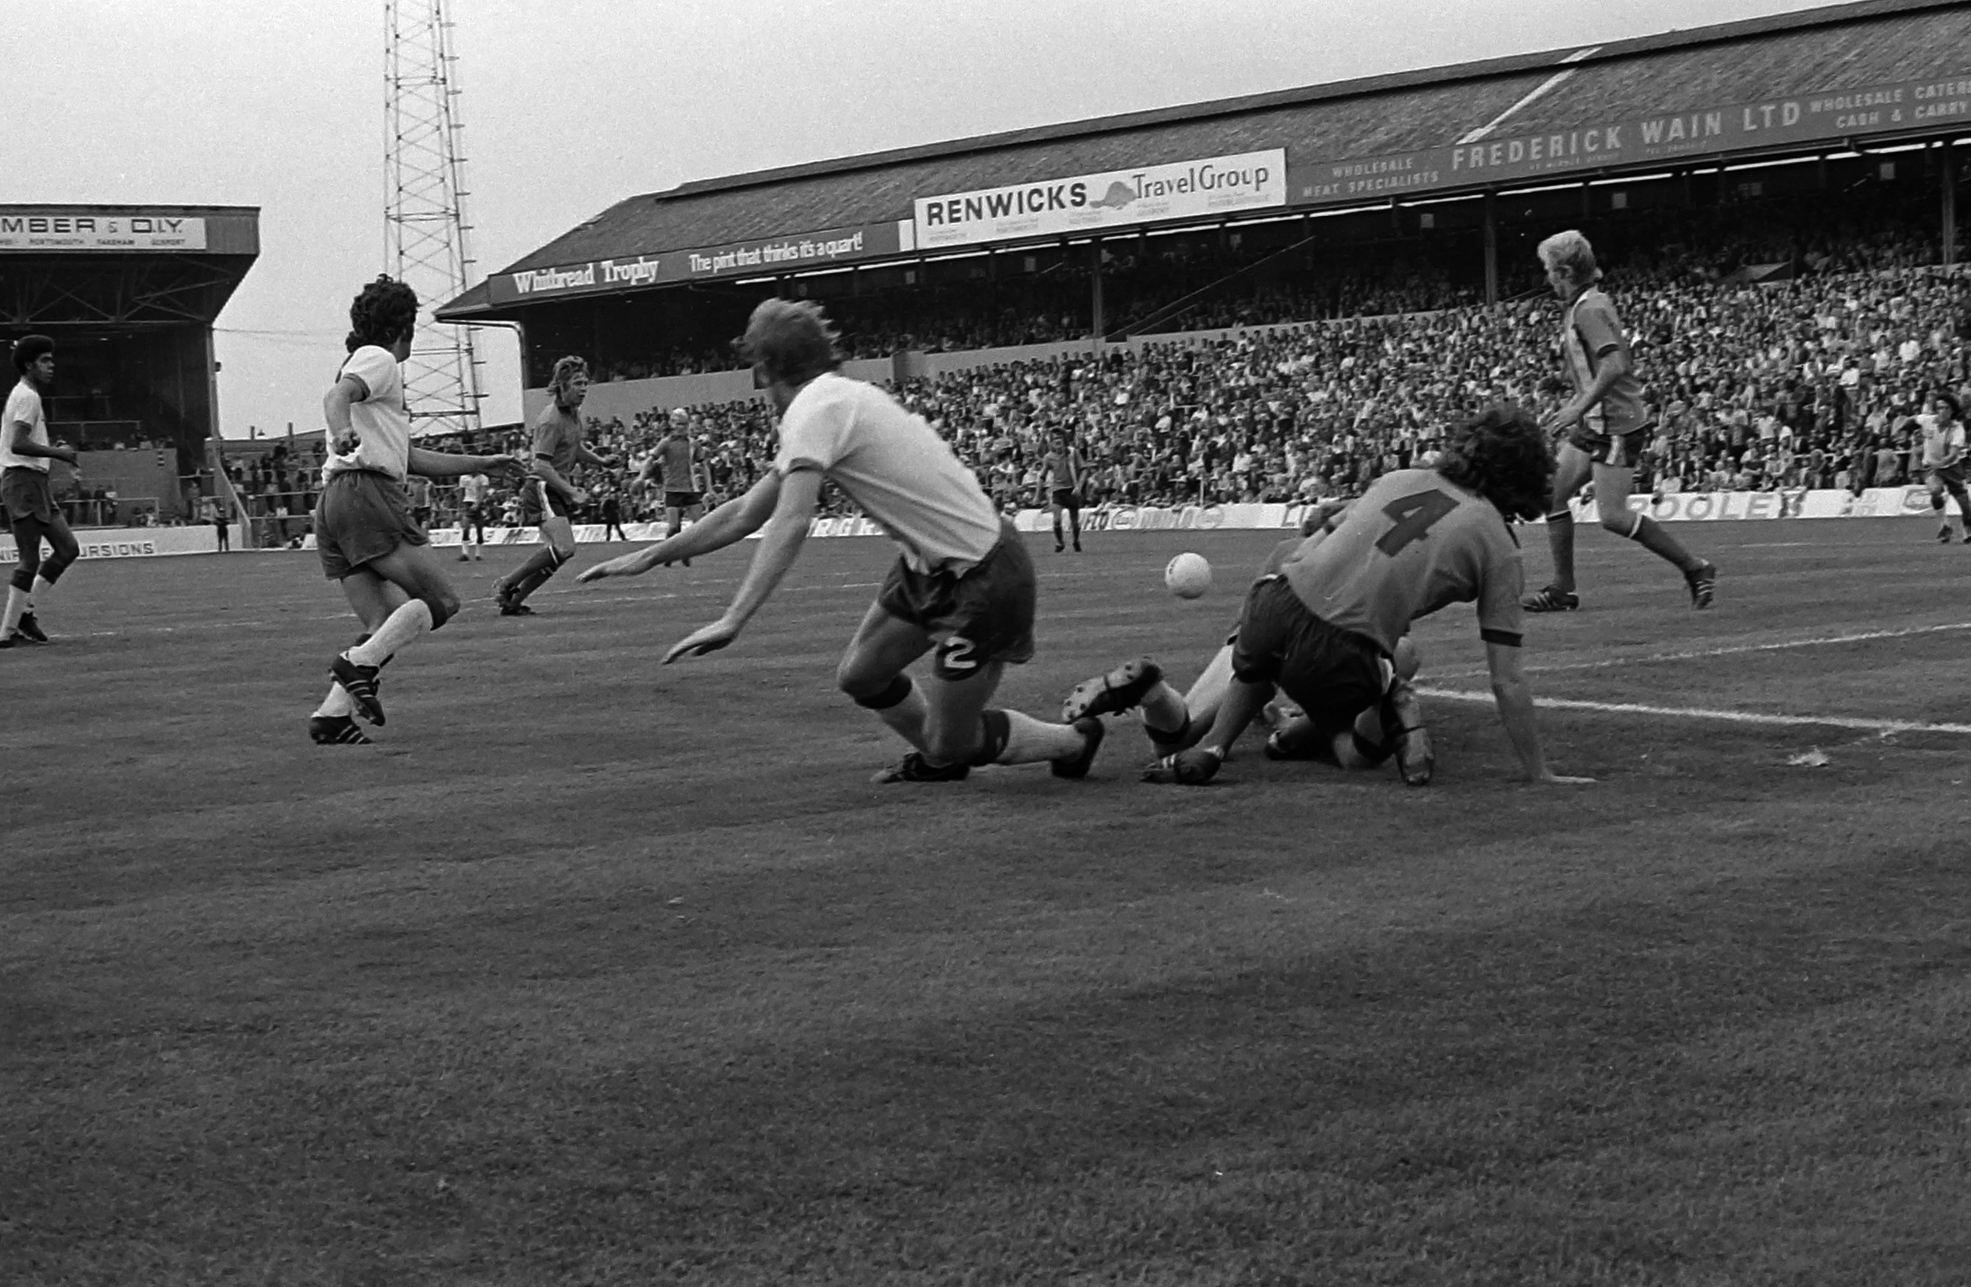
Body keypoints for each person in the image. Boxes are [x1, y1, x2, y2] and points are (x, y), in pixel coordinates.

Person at [579, 298, 1103, 784]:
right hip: (931, 568)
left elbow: (790, 520)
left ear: (761, 370)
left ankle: (1070, 741)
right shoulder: (832, 400)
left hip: (984, 576)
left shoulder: (814, 408)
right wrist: (651, 554)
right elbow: (743, 513)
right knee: (861, 676)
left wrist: (734, 618)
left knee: (954, 744)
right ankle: (940, 759)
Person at [1072, 405, 1591, 788]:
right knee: (1362, 729)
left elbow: (1295, 547)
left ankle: (1198, 725)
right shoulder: (1499, 546)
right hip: (1343, 645)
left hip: (1273, 606)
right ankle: (1377, 710)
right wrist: (1538, 771)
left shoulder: (1402, 478)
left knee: (1214, 707)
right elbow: (1507, 676)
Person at [308, 276, 523, 744]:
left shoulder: (369, 368)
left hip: (335, 502)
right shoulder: (379, 358)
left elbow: (411, 458)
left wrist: (483, 461)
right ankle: (355, 665)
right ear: (403, 326)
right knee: (443, 601)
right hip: (367, 494)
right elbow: (335, 397)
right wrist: (343, 429)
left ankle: (332, 714)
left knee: (383, 623)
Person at [1522, 230, 1716, 612]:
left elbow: (1615, 364)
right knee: (1554, 495)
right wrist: (1565, 384)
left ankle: (1696, 568)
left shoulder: (1588, 310)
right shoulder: (1588, 303)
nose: (1547, 278)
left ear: (1564, 271)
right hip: (1596, 421)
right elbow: (1601, 362)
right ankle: (1563, 589)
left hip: (1614, 423)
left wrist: (1578, 406)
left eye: (1549, 270)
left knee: (1611, 515)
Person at [492, 356, 616, 615]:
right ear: (562, 385)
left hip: (554, 487)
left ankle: (512, 602)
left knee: (559, 555)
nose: (583, 389)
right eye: (577, 383)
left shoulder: (573, 415)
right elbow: (540, 465)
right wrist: (571, 491)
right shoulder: (551, 420)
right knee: (564, 548)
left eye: (585, 383)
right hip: (542, 488)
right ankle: (507, 583)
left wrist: (601, 461)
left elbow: (575, 447)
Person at [1, 335, 80, 647]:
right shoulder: (27, 397)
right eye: (45, 360)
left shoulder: (28, 395)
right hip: (23, 481)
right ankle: (7, 631)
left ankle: (24, 612)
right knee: (29, 559)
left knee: (68, 549)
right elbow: (17, 444)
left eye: (51, 359)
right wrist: (58, 452)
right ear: (29, 364)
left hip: (34, 483)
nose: (51, 366)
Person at [639, 408, 702, 565]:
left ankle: (686, 552)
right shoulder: (666, 443)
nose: (682, 427)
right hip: (672, 489)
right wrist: (641, 477)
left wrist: (709, 486)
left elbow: (703, 464)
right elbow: (650, 459)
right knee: (674, 528)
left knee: (699, 526)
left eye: (685, 424)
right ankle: (668, 554)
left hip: (690, 488)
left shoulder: (693, 444)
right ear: (673, 424)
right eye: (679, 424)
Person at [1918, 390, 1970, 543]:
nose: (1942, 411)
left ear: (1952, 410)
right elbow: (1914, 419)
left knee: (1966, 508)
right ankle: (1944, 525)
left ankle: (1967, 531)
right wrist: (1902, 425)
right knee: (1935, 491)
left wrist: (1940, 463)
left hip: (1952, 469)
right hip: (1931, 468)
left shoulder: (1957, 428)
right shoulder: (1928, 421)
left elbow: (1953, 454)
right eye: (1939, 408)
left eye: (1945, 408)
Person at [1039, 430, 1085, 553]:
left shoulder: (1073, 453)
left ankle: (1076, 540)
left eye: (1060, 439)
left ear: (1064, 441)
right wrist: (1037, 495)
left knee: (1074, 522)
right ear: (1052, 443)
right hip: (1057, 491)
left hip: (1072, 490)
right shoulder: (1049, 457)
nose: (1058, 442)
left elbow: (1084, 470)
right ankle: (1059, 542)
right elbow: (1042, 476)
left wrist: (1079, 487)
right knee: (1057, 519)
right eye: (1055, 440)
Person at [456, 468, 489, 560]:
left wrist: (477, 503)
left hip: (479, 504)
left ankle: (478, 554)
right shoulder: (463, 477)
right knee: (466, 527)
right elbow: (461, 493)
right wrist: (459, 508)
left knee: (479, 529)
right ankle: (465, 554)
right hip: (467, 503)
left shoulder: (483, 478)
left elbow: (483, 492)